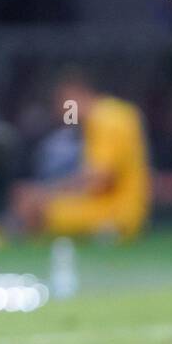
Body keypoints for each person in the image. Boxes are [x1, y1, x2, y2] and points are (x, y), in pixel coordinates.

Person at [11, 69, 151, 240]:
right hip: (116, 207)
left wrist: (44, 193)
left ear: (73, 95)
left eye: (61, 102)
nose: (60, 112)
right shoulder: (110, 114)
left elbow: (99, 179)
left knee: (38, 208)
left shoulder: (106, 119)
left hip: (116, 214)